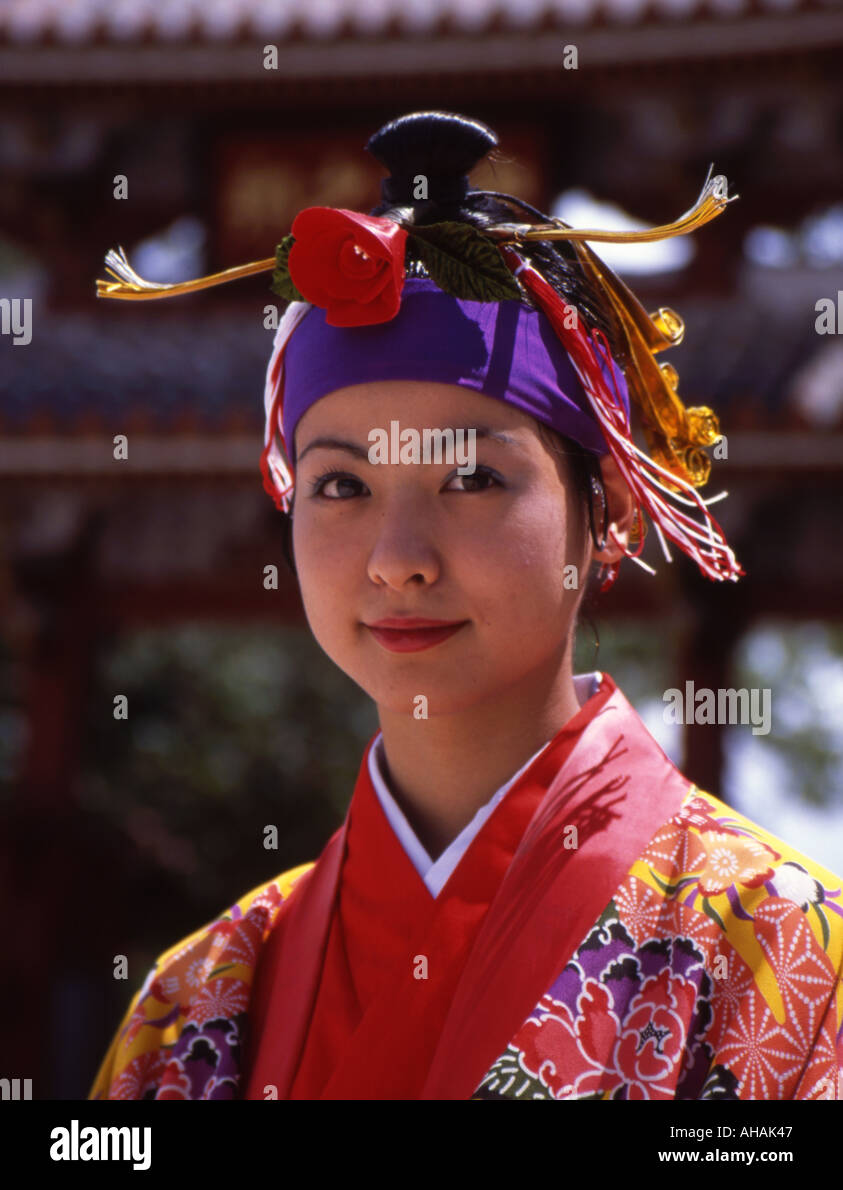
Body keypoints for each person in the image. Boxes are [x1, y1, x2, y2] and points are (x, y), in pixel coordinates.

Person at [89, 110, 842, 1101]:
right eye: (341, 485)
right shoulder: (197, 999)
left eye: (473, 478)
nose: (398, 561)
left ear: (610, 510)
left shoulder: (780, 951)